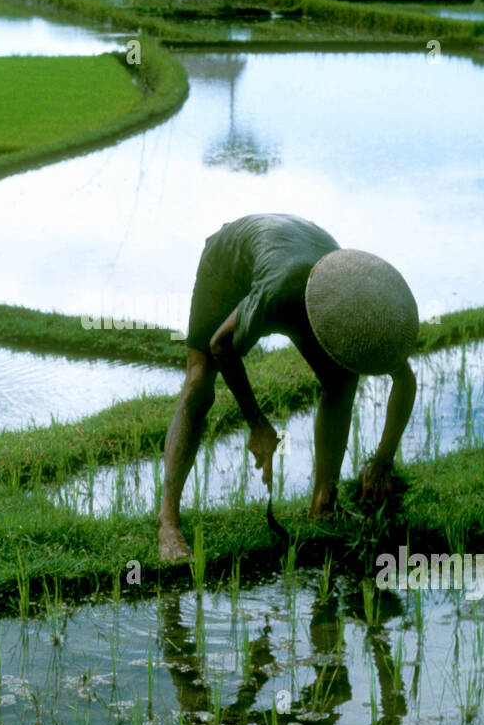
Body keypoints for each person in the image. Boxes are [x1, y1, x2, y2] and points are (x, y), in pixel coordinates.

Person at [157, 214, 419, 563]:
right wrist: (258, 425)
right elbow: (222, 346)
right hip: (229, 262)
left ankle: (323, 502)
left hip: (304, 252)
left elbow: (405, 380)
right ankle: (168, 523)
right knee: (199, 382)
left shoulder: (366, 309)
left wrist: (383, 460)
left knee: (341, 380)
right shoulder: (278, 293)